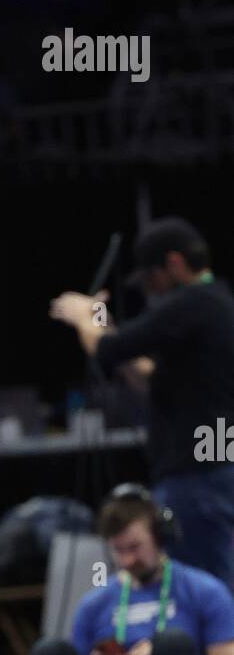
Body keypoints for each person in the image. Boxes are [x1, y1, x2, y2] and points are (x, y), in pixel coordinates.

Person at [50, 218, 234, 591]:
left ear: (174, 263)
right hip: (213, 465)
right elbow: (146, 371)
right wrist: (103, 325)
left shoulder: (190, 303)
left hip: (194, 473)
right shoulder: (215, 304)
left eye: (152, 277)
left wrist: (84, 317)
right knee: (211, 579)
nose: (150, 289)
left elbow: (106, 350)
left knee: (202, 586)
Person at [31, 486, 234, 655]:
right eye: (118, 550)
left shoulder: (203, 590)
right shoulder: (94, 603)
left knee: (172, 644)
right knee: (49, 652)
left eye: (135, 547)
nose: (127, 560)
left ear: (160, 538)